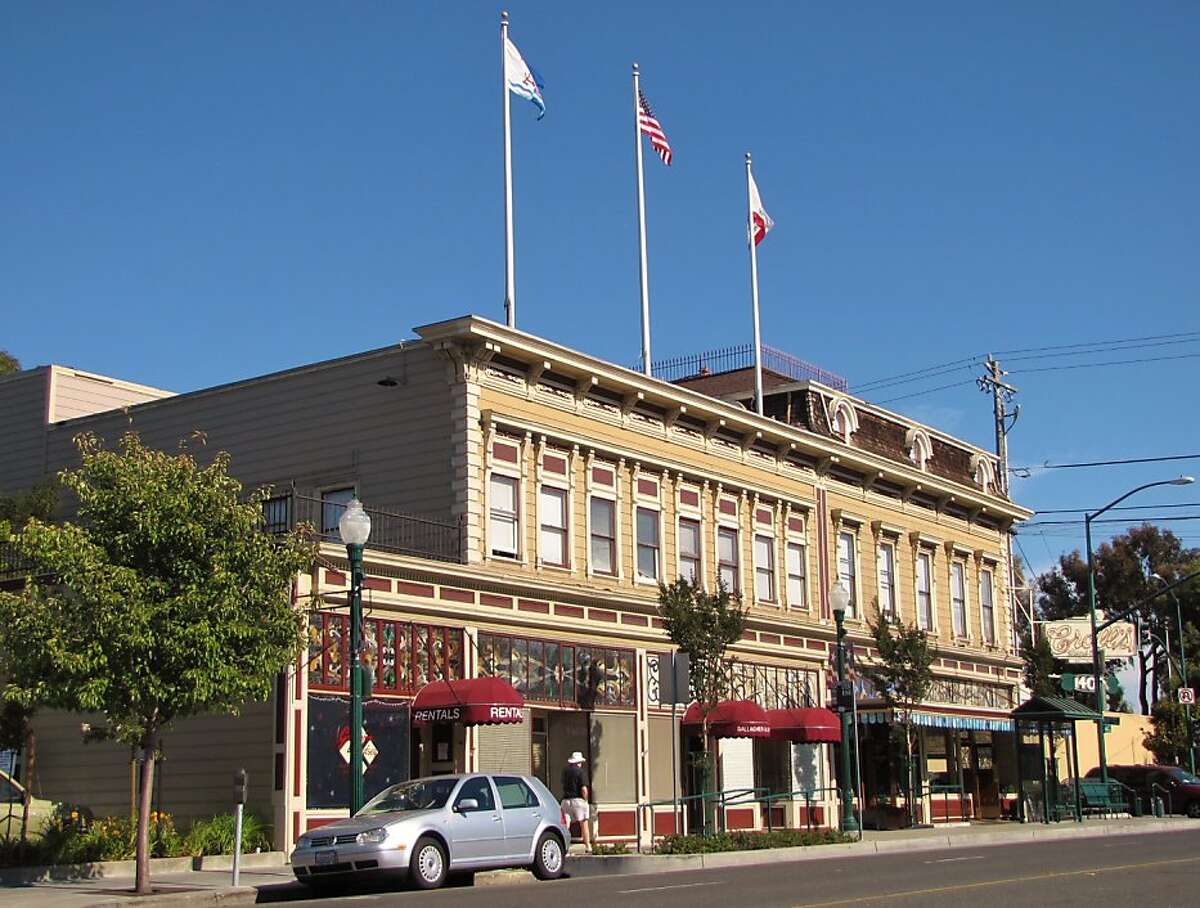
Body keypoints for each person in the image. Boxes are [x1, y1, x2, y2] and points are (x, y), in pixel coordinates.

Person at [560, 751, 592, 853]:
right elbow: (584, 789)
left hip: (566, 800)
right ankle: (588, 846)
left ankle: (564, 846)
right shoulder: (580, 772)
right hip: (578, 800)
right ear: (579, 762)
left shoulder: (565, 772)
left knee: (566, 824)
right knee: (584, 823)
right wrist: (585, 800)